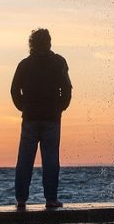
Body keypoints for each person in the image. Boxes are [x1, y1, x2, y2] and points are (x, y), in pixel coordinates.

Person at [10, 28, 72, 209]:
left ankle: (21, 199)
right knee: (51, 159)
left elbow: (14, 90)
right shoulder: (59, 62)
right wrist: (61, 107)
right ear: (49, 42)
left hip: (31, 118)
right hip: (52, 118)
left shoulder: (24, 64)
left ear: (31, 43)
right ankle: (51, 199)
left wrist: (24, 107)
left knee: (25, 159)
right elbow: (67, 88)